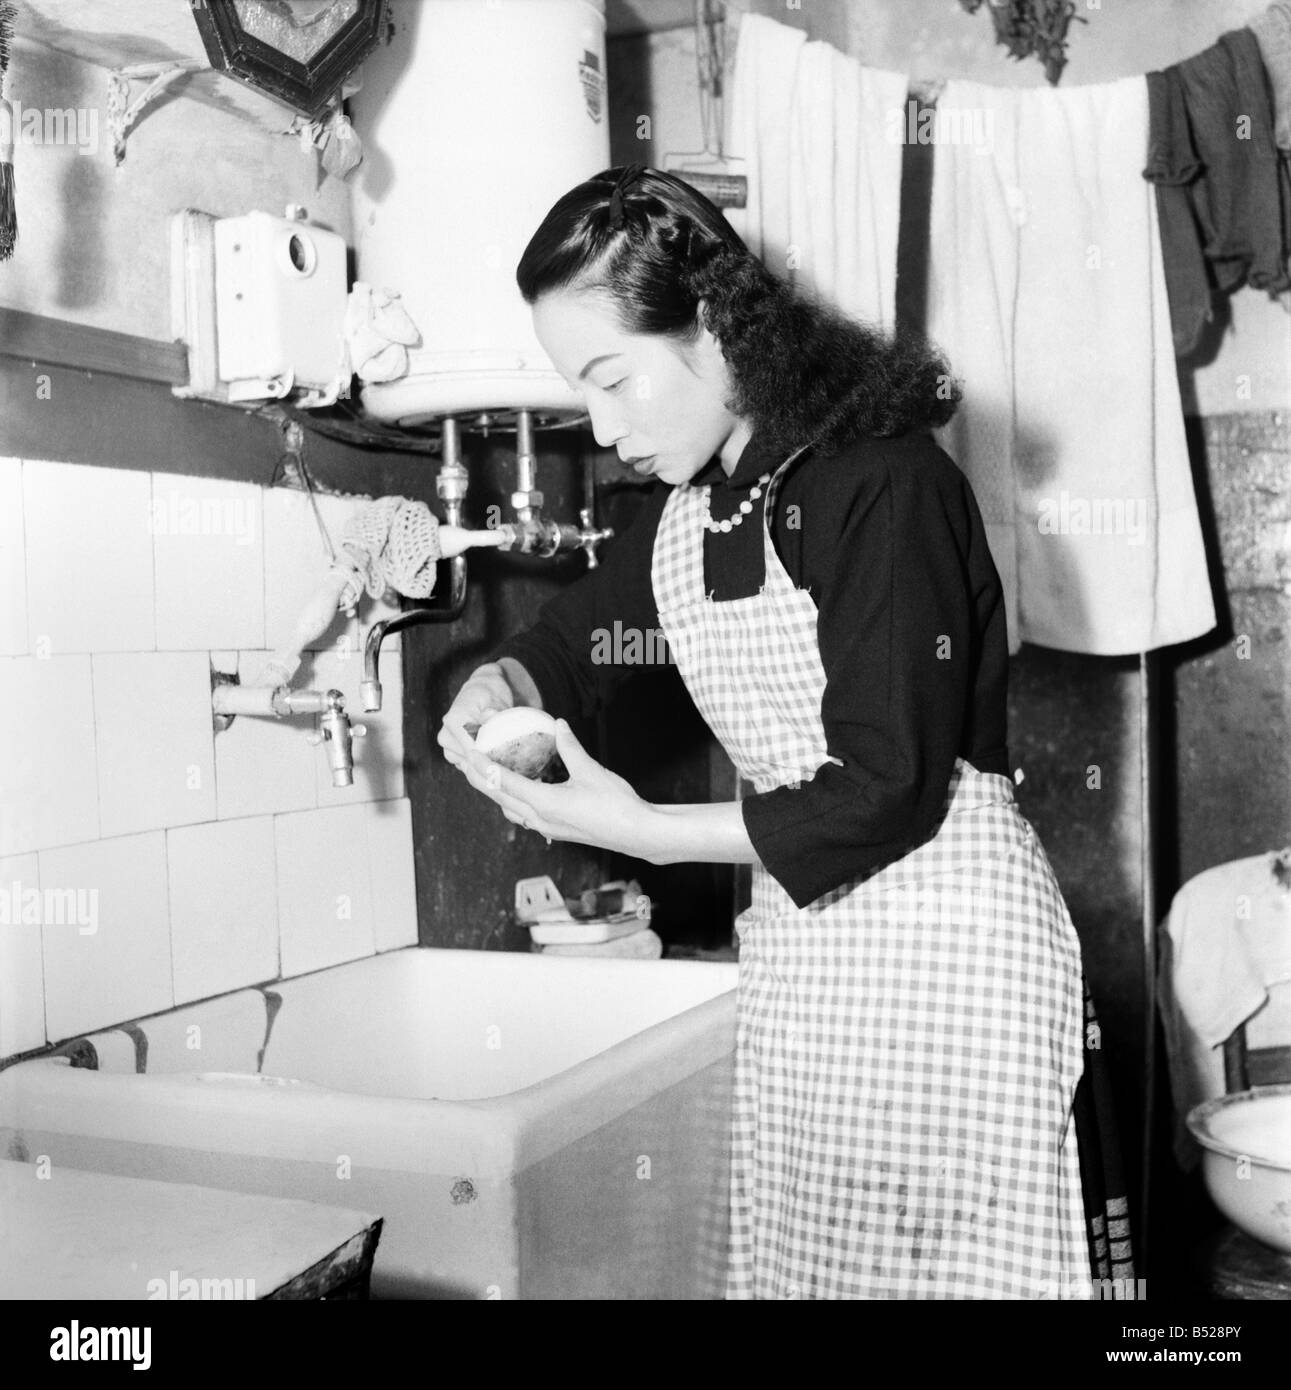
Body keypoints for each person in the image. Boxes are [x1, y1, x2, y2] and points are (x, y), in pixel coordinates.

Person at [438, 164, 1100, 1299]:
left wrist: (645, 829)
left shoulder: (882, 484)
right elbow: (576, 638)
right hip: (808, 952)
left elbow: (886, 787)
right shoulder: (690, 513)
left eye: (611, 379)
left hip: (948, 957)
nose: (600, 429)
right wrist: (500, 680)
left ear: (709, 325)